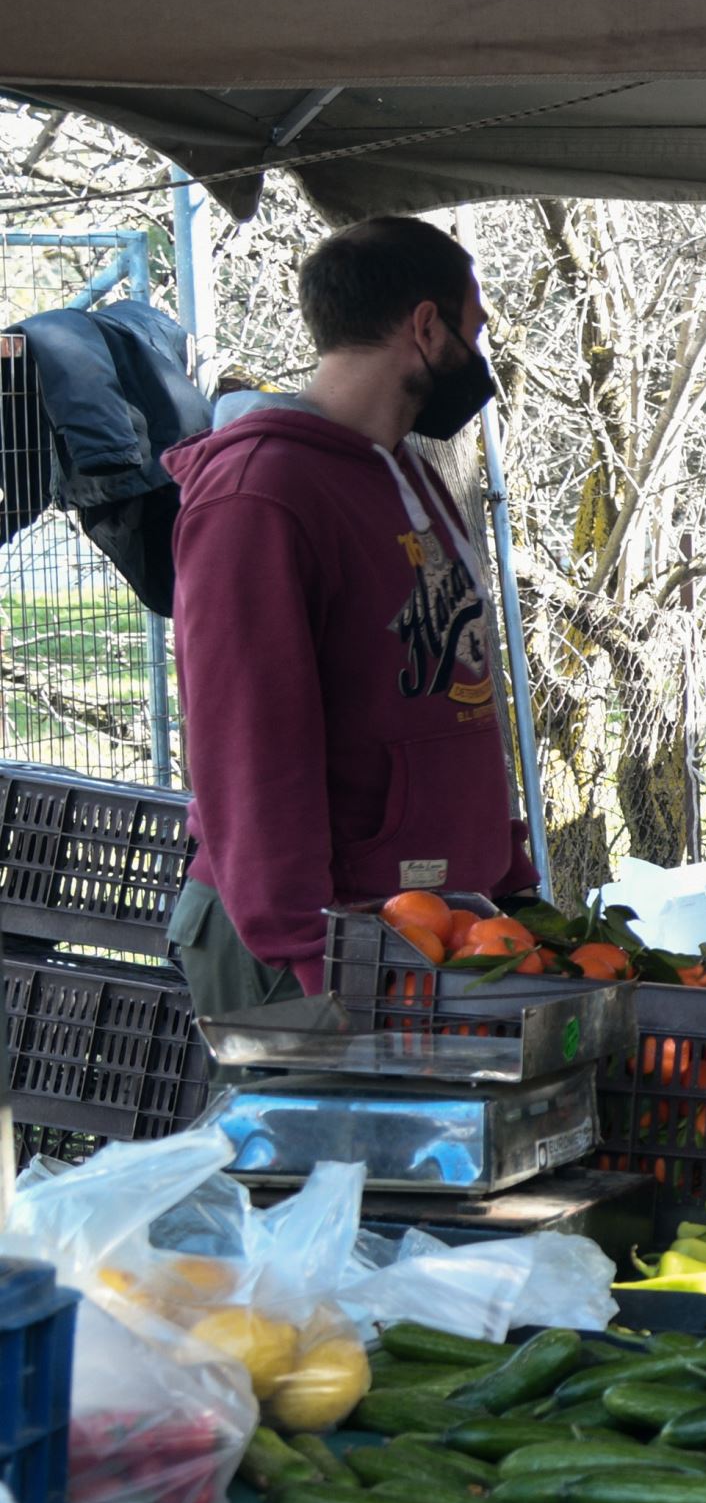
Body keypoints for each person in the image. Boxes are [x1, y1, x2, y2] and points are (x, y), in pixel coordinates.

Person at [161, 217, 529, 1006]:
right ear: (425, 326)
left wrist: (507, 873)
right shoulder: (260, 494)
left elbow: (453, 685)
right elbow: (246, 743)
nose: (480, 361)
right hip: (316, 947)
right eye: (475, 332)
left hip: (426, 929)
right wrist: (311, 952)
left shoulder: (407, 472)